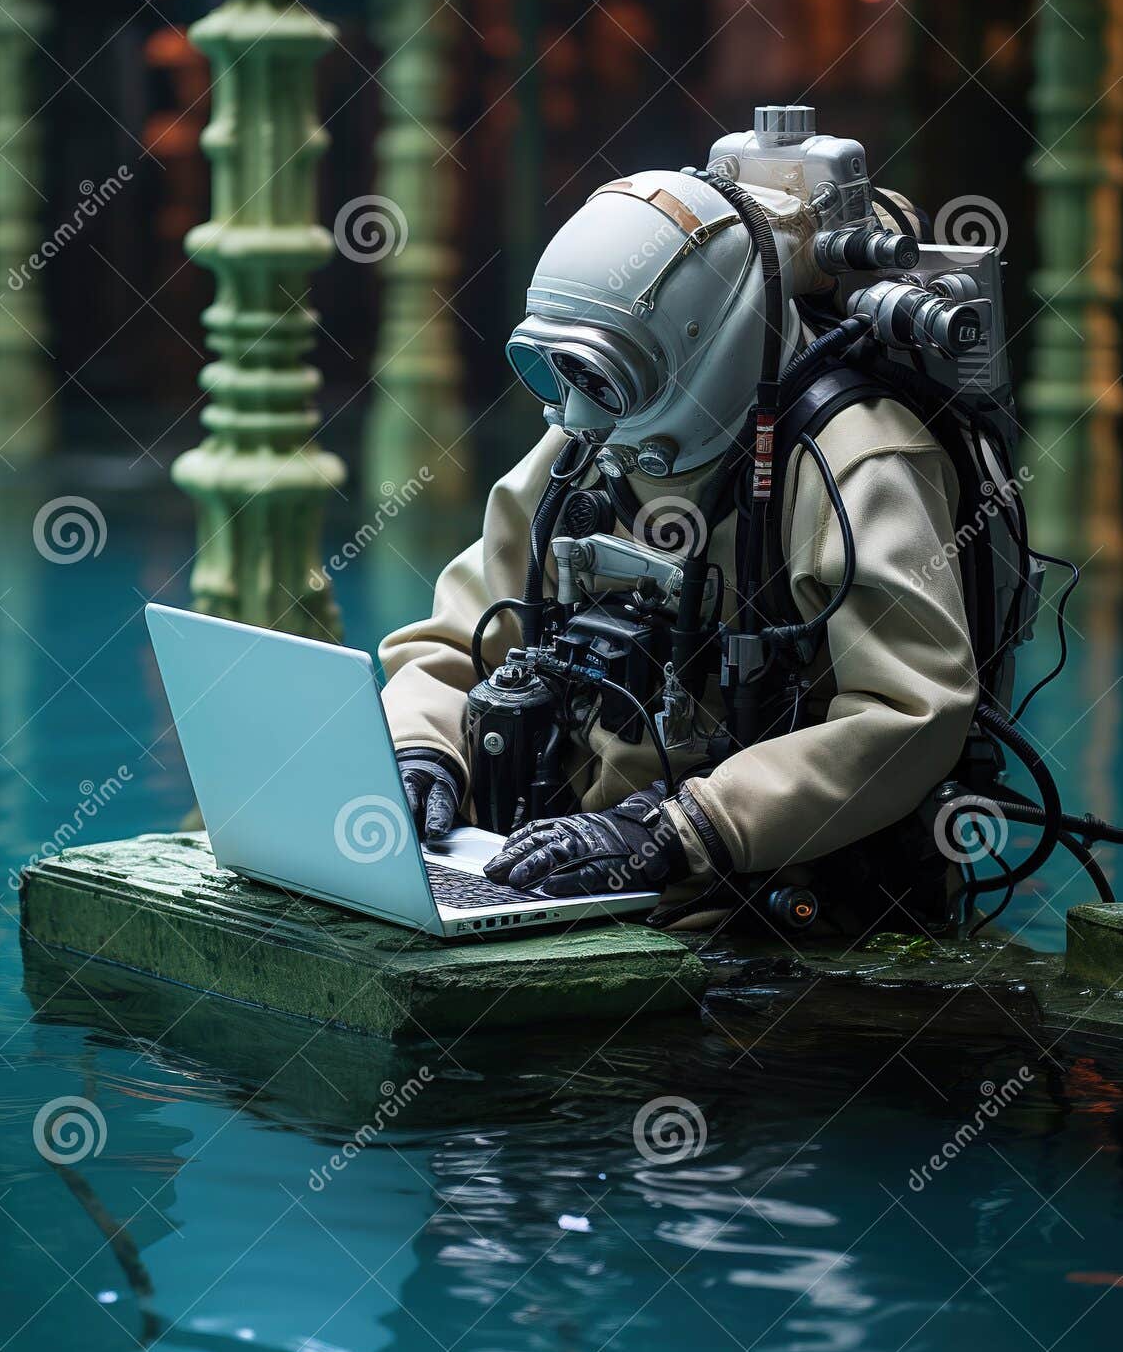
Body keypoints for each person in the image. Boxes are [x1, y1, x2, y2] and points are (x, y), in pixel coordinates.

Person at [377, 112, 1026, 934]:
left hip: (771, 916)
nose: (573, 411)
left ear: (701, 343)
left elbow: (910, 715)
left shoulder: (853, 460)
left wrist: (683, 830)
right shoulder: (593, 431)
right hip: (571, 879)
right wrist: (420, 750)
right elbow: (455, 641)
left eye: (604, 375)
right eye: (551, 368)